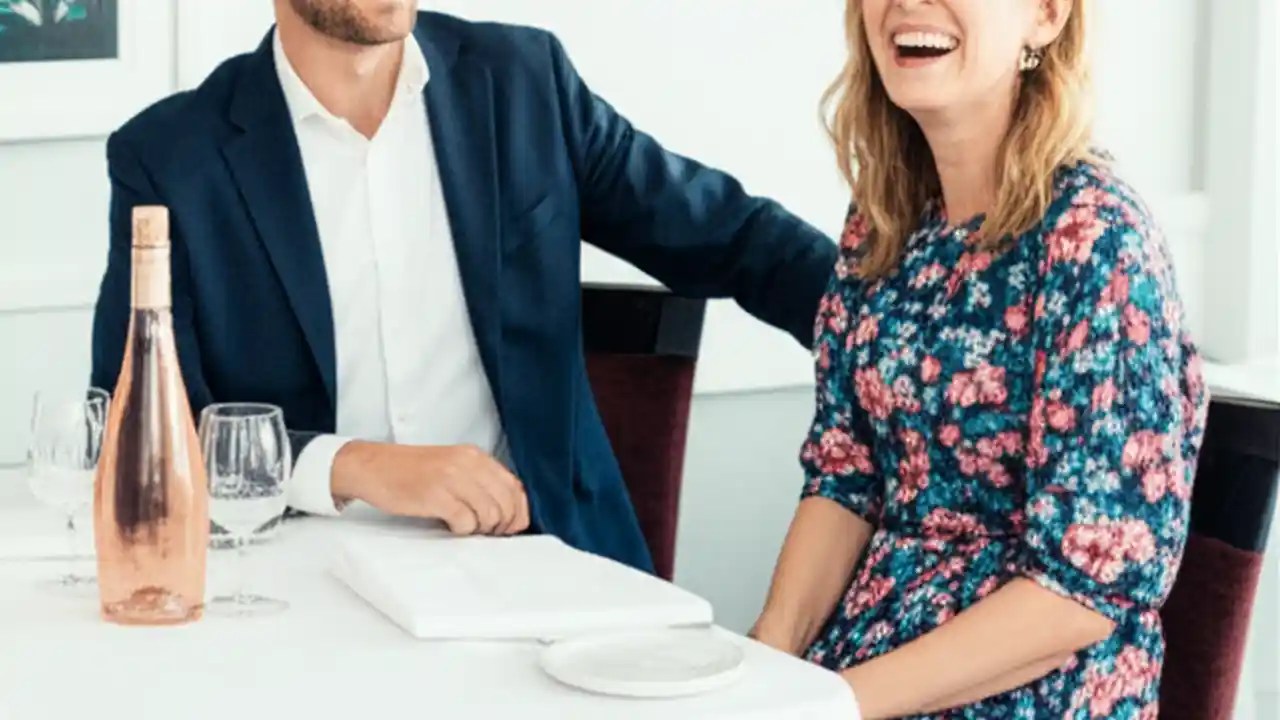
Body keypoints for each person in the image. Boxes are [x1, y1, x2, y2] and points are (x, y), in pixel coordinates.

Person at [89, 1, 837, 573]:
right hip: (306, 587)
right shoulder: (171, 161)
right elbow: (141, 438)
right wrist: (354, 466)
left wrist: (920, 314)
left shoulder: (523, 82)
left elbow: (732, 236)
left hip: (545, 571)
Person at [749, 0, 1207, 717]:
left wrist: (827, 704)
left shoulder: (1094, 238)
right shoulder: (884, 223)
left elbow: (1079, 595)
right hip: (856, 677)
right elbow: (847, 475)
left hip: (1034, 697)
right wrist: (763, 667)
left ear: (1048, 15)